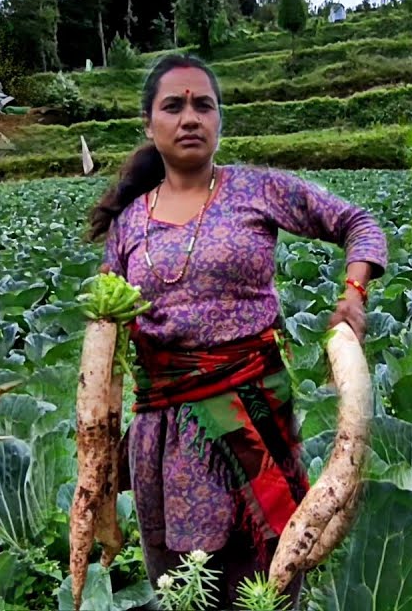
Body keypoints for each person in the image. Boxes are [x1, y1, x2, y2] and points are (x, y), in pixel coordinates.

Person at [88, 53, 388, 608]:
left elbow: (357, 223)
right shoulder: (130, 223)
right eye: (173, 106)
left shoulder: (255, 189)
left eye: (204, 105)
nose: (190, 118)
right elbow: (105, 338)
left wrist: (354, 295)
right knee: (182, 584)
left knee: (269, 571)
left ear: (220, 119)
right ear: (149, 124)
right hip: (164, 435)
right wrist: (100, 464)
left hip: (252, 417)